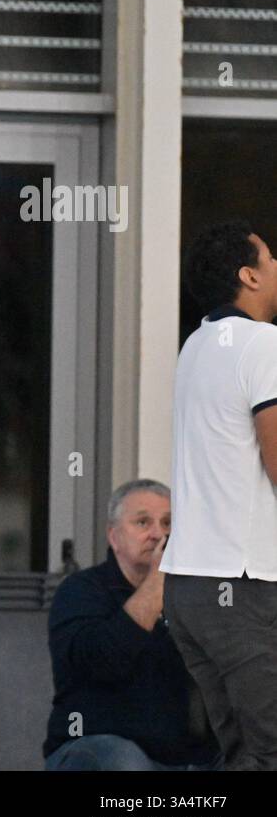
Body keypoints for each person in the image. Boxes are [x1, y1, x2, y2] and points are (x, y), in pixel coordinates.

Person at [162, 222, 277, 770]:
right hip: (245, 583)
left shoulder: (198, 345)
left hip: (190, 589)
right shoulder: (263, 343)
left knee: (245, 756)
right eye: (271, 259)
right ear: (248, 275)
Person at [44, 479, 220, 770]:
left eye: (168, 523)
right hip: (96, 749)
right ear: (114, 537)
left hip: (185, 758)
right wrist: (158, 582)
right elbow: (103, 663)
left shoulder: (197, 597)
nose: (159, 534)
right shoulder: (81, 590)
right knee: (122, 760)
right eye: (143, 522)